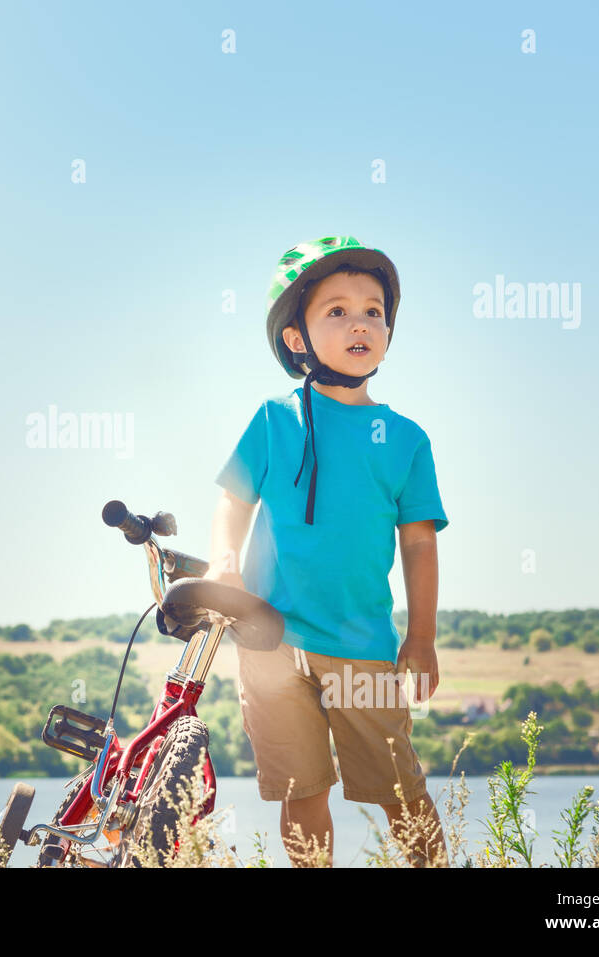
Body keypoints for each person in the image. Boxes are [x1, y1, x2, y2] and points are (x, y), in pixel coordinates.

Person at [206, 236, 449, 867]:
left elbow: (419, 544)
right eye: (336, 311)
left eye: (373, 310)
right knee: (301, 791)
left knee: (399, 791)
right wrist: (224, 562)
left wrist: (420, 637)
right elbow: (234, 500)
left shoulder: (405, 439)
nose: (360, 322)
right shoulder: (272, 419)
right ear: (296, 338)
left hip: (361, 644)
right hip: (271, 641)